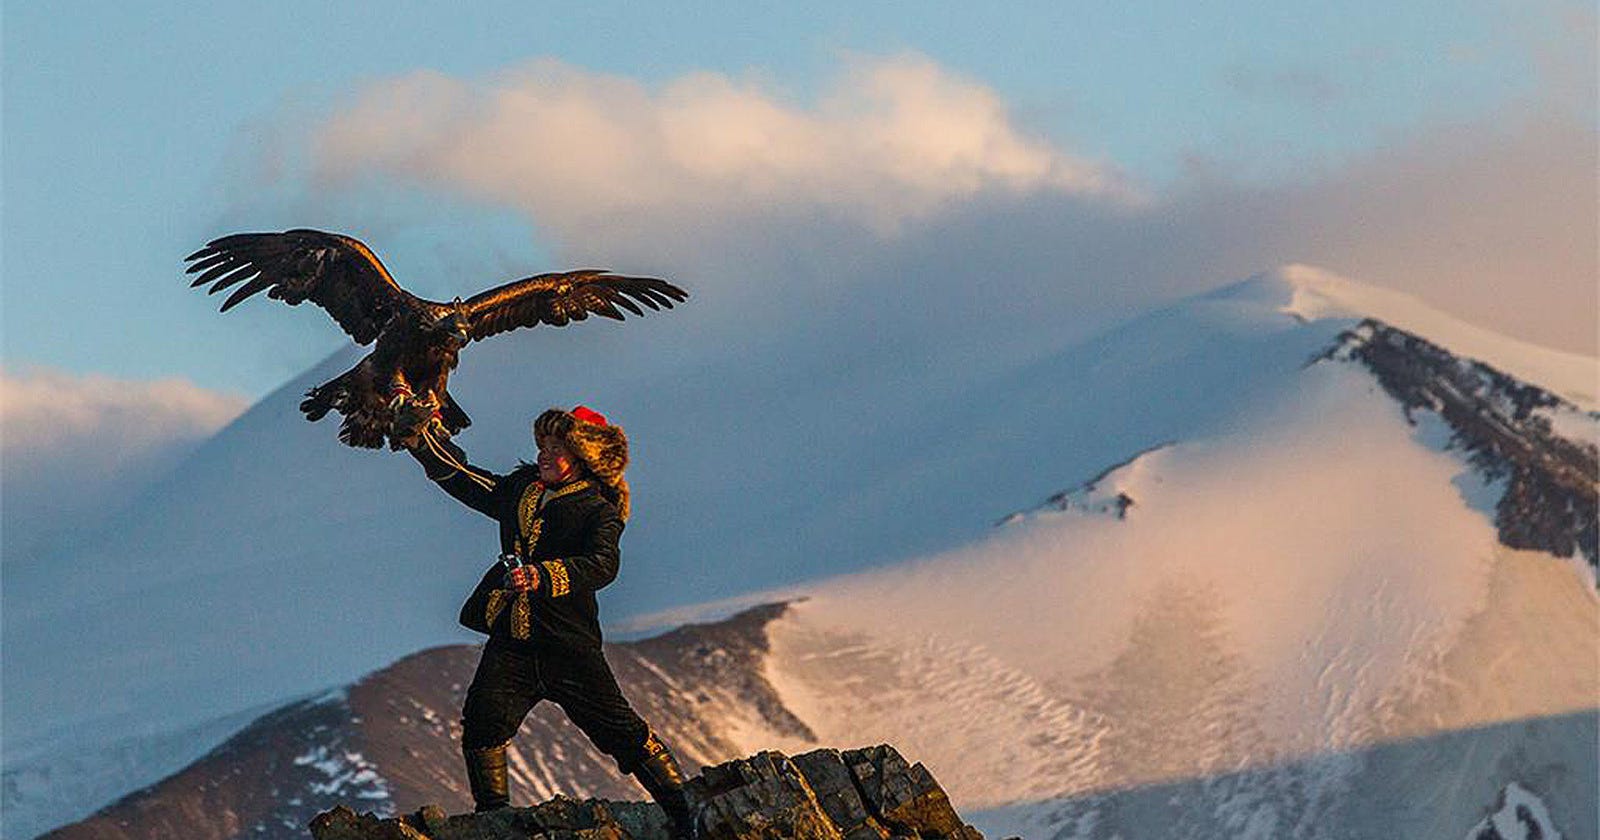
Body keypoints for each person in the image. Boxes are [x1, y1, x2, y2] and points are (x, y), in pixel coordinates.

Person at [397, 404, 697, 838]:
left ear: (583, 457)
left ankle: (686, 814)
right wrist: (421, 445)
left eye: (557, 446)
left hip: (569, 649)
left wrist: (542, 576)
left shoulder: (599, 510)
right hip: (513, 642)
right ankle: (493, 821)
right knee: (482, 723)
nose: (544, 453)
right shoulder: (522, 491)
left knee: (623, 734)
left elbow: (603, 565)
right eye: (544, 444)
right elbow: (469, 482)